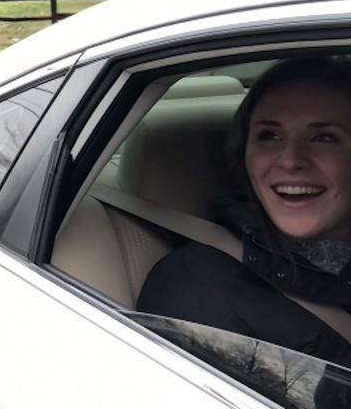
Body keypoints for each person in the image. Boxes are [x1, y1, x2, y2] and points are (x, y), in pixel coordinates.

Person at [138, 56, 351, 368]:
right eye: (269, 136)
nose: (290, 160)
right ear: (243, 152)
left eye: (324, 138)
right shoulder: (196, 291)